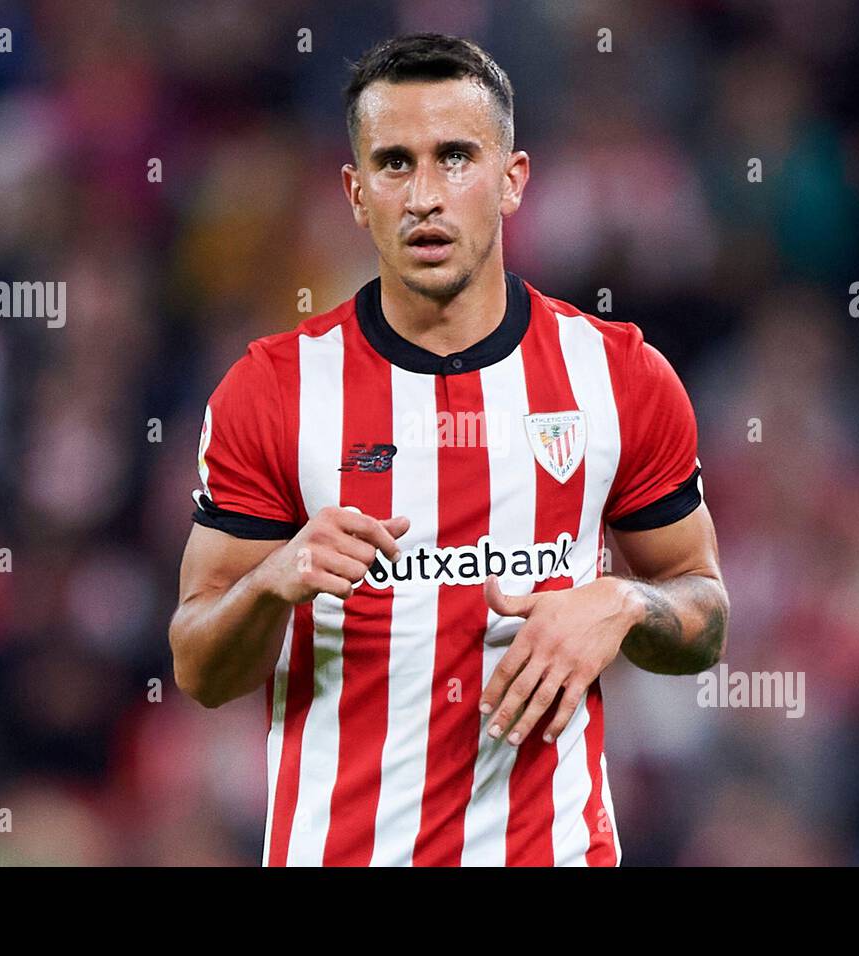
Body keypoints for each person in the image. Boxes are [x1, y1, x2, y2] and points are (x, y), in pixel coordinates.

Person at [168, 32, 729, 867]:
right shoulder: (272, 391)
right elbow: (199, 668)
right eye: (395, 163)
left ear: (513, 180)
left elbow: (704, 618)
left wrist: (621, 605)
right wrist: (270, 583)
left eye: (456, 157)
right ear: (357, 195)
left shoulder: (620, 376)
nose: (425, 195)